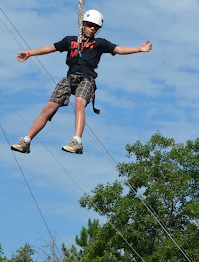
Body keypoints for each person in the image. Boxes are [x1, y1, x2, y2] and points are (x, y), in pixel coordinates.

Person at [11, 9, 152, 155]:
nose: (93, 29)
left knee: (79, 102)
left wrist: (139, 49)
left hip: (87, 78)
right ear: (83, 24)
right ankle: (26, 141)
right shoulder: (70, 41)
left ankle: (77, 141)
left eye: (96, 27)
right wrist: (29, 53)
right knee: (48, 107)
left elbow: (119, 49)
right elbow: (49, 48)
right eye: (90, 25)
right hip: (70, 77)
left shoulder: (100, 43)